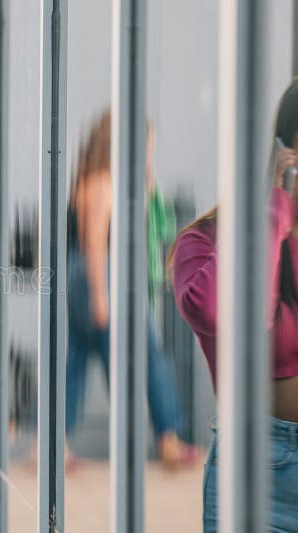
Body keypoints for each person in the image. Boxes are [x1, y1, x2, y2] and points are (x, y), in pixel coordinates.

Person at [171, 73, 298, 532]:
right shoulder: (208, 240)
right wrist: (272, 210)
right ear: (278, 151)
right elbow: (217, 311)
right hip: (260, 476)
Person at [66, 110, 191, 469]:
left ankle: (49, 444)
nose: (149, 151)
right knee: (141, 355)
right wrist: (100, 295)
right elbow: (94, 241)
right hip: (102, 274)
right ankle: (164, 439)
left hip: (87, 274)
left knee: (76, 363)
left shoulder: (96, 178)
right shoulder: (101, 181)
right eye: (146, 144)